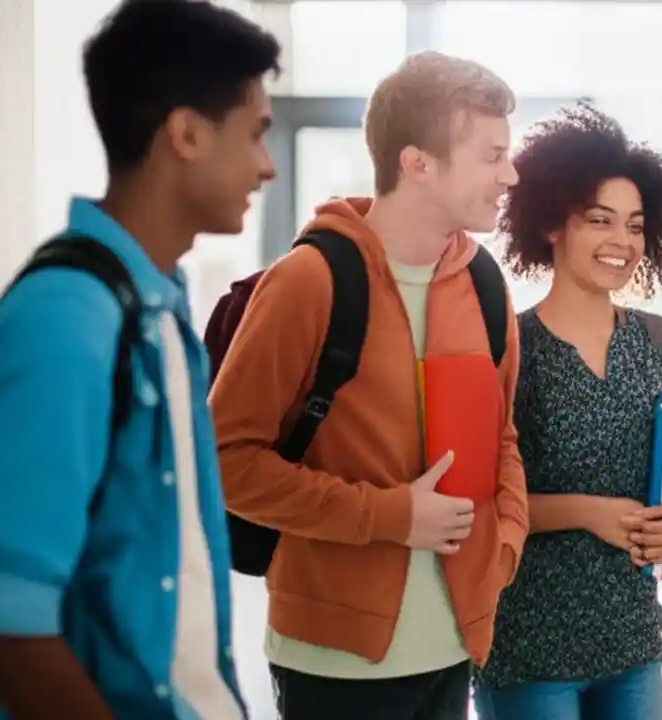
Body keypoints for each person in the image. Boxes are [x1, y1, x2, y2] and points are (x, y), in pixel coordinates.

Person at [0, 2, 280, 719]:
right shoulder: (65, 318)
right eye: (256, 133)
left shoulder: (159, 303)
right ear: (186, 133)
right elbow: (5, 620)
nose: (268, 165)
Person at [208, 51, 527, 720]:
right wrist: (392, 517)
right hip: (332, 660)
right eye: (492, 155)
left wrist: (500, 552)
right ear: (418, 163)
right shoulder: (309, 281)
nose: (511, 173)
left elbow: (502, 439)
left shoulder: (485, 285)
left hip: (451, 649)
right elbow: (226, 461)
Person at [471, 103, 662, 720]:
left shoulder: (658, 341)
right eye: (600, 220)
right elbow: (483, 502)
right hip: (528, 650)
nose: (622, 242)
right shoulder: (509, 347)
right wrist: (588, 514)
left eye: (636, 226)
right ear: (553, 225)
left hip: (633, 645)